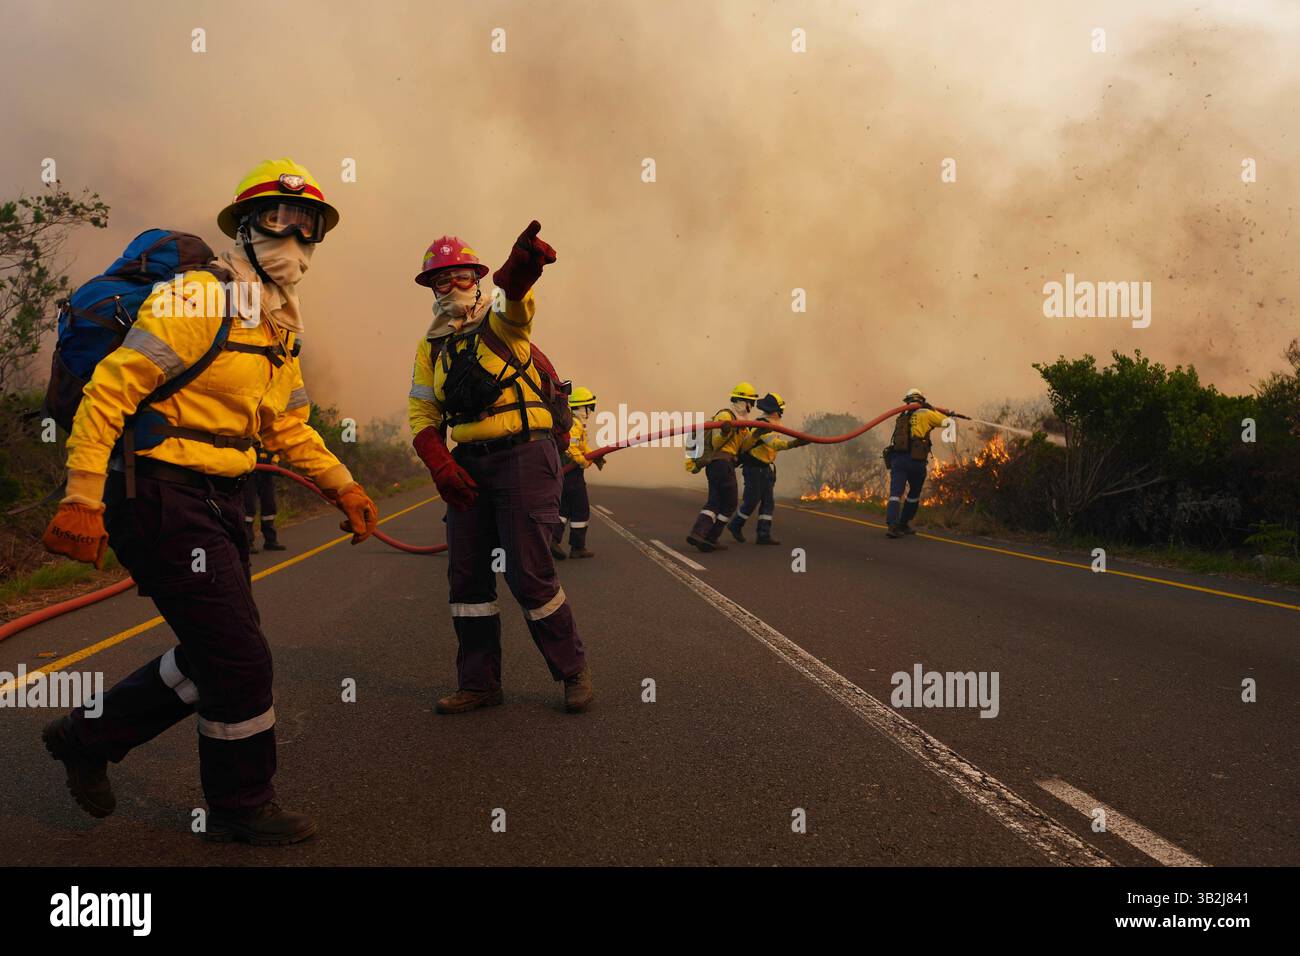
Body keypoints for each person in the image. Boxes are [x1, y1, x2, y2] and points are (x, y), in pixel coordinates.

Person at [40, 158, 378, 845]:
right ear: (247, 225)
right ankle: (238, 806)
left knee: (215, 653)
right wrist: (81, 498)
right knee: (240, 660)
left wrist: (345, 484)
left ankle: (87, 737)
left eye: (308, 223)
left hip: (223, 499)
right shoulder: (200, 296)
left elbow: (285, 425)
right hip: (159, 494)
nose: (295, 233)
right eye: (280, 217)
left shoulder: (278, 324)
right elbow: (112, 390)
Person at [407, 223, 593, 715]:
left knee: (529, 573)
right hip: (468, 467)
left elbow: (518, 307)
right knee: (466, 580)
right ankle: (480, 683)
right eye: (439, 281)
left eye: (460, 276)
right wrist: (439, 462)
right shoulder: (431, 348)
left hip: (524, 458)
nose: (451, 287)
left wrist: (520, 278)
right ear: (430, 288)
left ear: (477, 277)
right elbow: (423, 413)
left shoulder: (501, 322)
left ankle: (572, 672)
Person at [728, 392, 808, 545]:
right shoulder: (762, 426)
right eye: (781, 409)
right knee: (751, 501)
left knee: (768, 502)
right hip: (755, 468)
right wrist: (795, 444)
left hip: (765, 468)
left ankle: (763, 534)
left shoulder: (774, 424)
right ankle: (735, 525)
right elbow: (775, 444)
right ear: (776, 410)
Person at [686, 382, 757, 552]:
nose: (752, 407)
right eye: (751, 402)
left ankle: (700, 534)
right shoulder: (726, 416)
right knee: (729, 503)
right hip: (721, 464)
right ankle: (710, 537)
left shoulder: (741, 422)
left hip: (722, 464)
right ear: (743, 401)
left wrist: (755, 436)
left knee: (716, 501)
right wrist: (725, 431)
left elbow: (743, 446)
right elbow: (716, 442)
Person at [884, 387, 954, 538]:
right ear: (922, 400)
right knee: (914, 494)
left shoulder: (902, 415)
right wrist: (944, 413)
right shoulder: (926, 413)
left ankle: (892, 526)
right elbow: (947, 422)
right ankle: (903, 523)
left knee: (895, 494)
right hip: (916, 461)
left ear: (907, 401)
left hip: (898, 459)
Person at [551, 386, 603, 560]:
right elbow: (571, 449)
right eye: (589, 407)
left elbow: (582, 447)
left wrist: (594, 456)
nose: (590, 412)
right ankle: (577, 547)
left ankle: (553, 539)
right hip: (572, 473)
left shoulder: (574, 423)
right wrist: (584, 461)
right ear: (581, 407)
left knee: (564, 508)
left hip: (565, 473)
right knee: (581, 509)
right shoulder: (574, 425)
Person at [243, 445, 285, 553]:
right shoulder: (250, 432)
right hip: (249, 474)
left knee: (269, 506)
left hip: (267, 474)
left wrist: (274, 463)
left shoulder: (269, 436)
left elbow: (276, 451)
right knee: (248, 508)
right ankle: (247, 542)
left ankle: (271, 541)